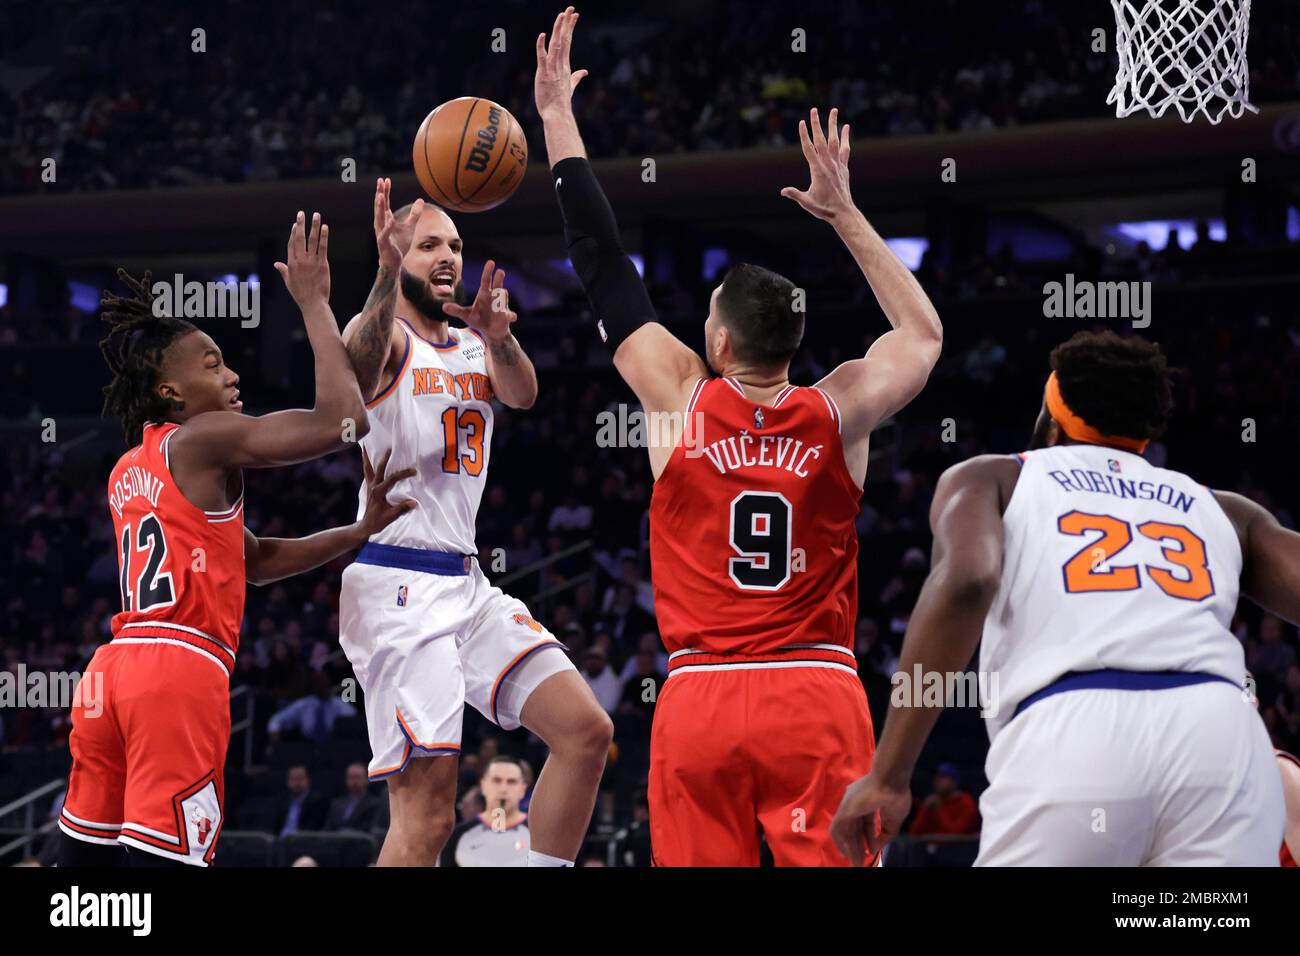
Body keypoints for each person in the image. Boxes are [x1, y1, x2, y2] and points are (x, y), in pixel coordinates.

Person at [535, 7, 942, 866]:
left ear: (718, 344)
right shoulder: (842, 409)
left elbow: (603, 261)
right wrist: (844, 215)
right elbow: (924, 335)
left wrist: (556, 119)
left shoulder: (680, 396)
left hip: (702, 701)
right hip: (817, 692)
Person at [831, 331, 1288, 866]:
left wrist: (890, 775)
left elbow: (968, 581)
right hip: (1222, 738)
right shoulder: (1223, 508)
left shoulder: (996, 475)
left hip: (1076, 729)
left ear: (1050, 417)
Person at [58, 198, 414, 867]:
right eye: (213, 363)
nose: (233, 375)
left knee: (86, 881)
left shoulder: (130, 468)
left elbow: (252, 561)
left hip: (112, 673)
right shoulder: (203, 438)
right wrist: (313, 303)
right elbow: (344, 421)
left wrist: (359, 528)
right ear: (170, 390)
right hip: (180, 674)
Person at [337, 177, 611, 867]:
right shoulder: (385, 340)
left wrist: (499, 338)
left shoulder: (467, 344)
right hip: (398, 584)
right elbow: (351, 361)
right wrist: (378, 271)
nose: (448, 256)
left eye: (455, 244)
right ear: (398, 254)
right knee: (426, 819)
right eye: (428, 244)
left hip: (466, 581)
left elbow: (522, 394)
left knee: (586, 731)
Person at [439, 756, 531, 867]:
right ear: (483, 785)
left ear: (522, 789)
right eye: (497, 781)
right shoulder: (458, 835)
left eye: (511, 782)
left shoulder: (538, 837)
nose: (503, 789)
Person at [325, 763, 382, 832]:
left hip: (360, 841)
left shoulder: (374, 804)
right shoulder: (336, 803)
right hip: (335, 840)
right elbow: (327, 829)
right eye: (351, 777)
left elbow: (369, 829)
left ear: (367, 779)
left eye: (357, 777)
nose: (354, 782)